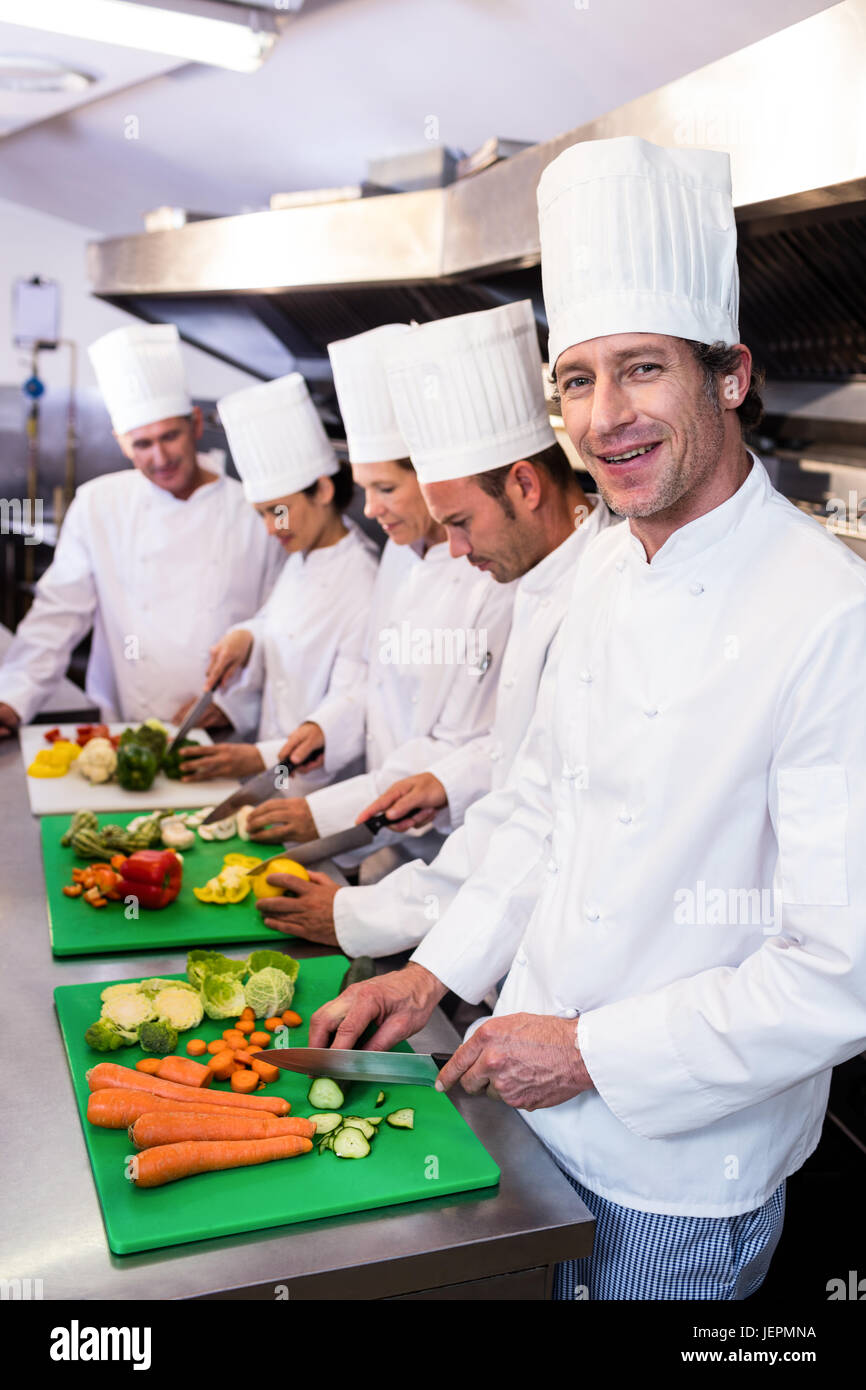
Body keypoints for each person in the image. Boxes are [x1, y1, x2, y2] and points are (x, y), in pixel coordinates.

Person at [306, 136, 866, 1301]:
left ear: (728, 376)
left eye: (642, 370)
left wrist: (588, 1050)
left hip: (674, 1168)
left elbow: (840, 971)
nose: (604, 415)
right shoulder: (606, 568)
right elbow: (538, 809)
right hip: (531, 1116)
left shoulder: (830, 614)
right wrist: (431, 968)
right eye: (575, 379)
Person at [256, 299, 613, 948]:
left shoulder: (600, 591)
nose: (454, 549)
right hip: (460, 884)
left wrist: (366, 911)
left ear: (526, 486)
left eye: (459, 522)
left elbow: (533, 806)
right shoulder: (531, 573)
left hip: (530, 923)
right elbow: (517, 784)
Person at [244, 323, 515, 886]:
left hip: (456, 854)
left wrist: (324, 813)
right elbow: (374, 676)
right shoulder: (400, 552)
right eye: (365, 488)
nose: (369, 510)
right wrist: (327, 727)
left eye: (387, 489)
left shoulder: (494, 570)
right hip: (384, 836)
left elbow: (467, 743)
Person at [0, 323, 283, 737]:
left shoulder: (253, 509)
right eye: (142, 444)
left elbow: (279, 620)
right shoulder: (98, 504)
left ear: (196, 424)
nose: (161, 456)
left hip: (225, 737)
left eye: (170, 436)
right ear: (120, 442)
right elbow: (57, 615)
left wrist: (229, 704)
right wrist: (13, 698)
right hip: (124, 731)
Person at [176, 372, 380, 791]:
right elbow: (276, 623)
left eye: (277, 511)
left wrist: (257, 758)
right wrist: (246, 637)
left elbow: (350, 711)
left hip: (317, 794)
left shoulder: (362, 583)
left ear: (322, 490)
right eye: (261, 515)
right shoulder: (303, 558)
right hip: (272, 784)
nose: (271, 528)